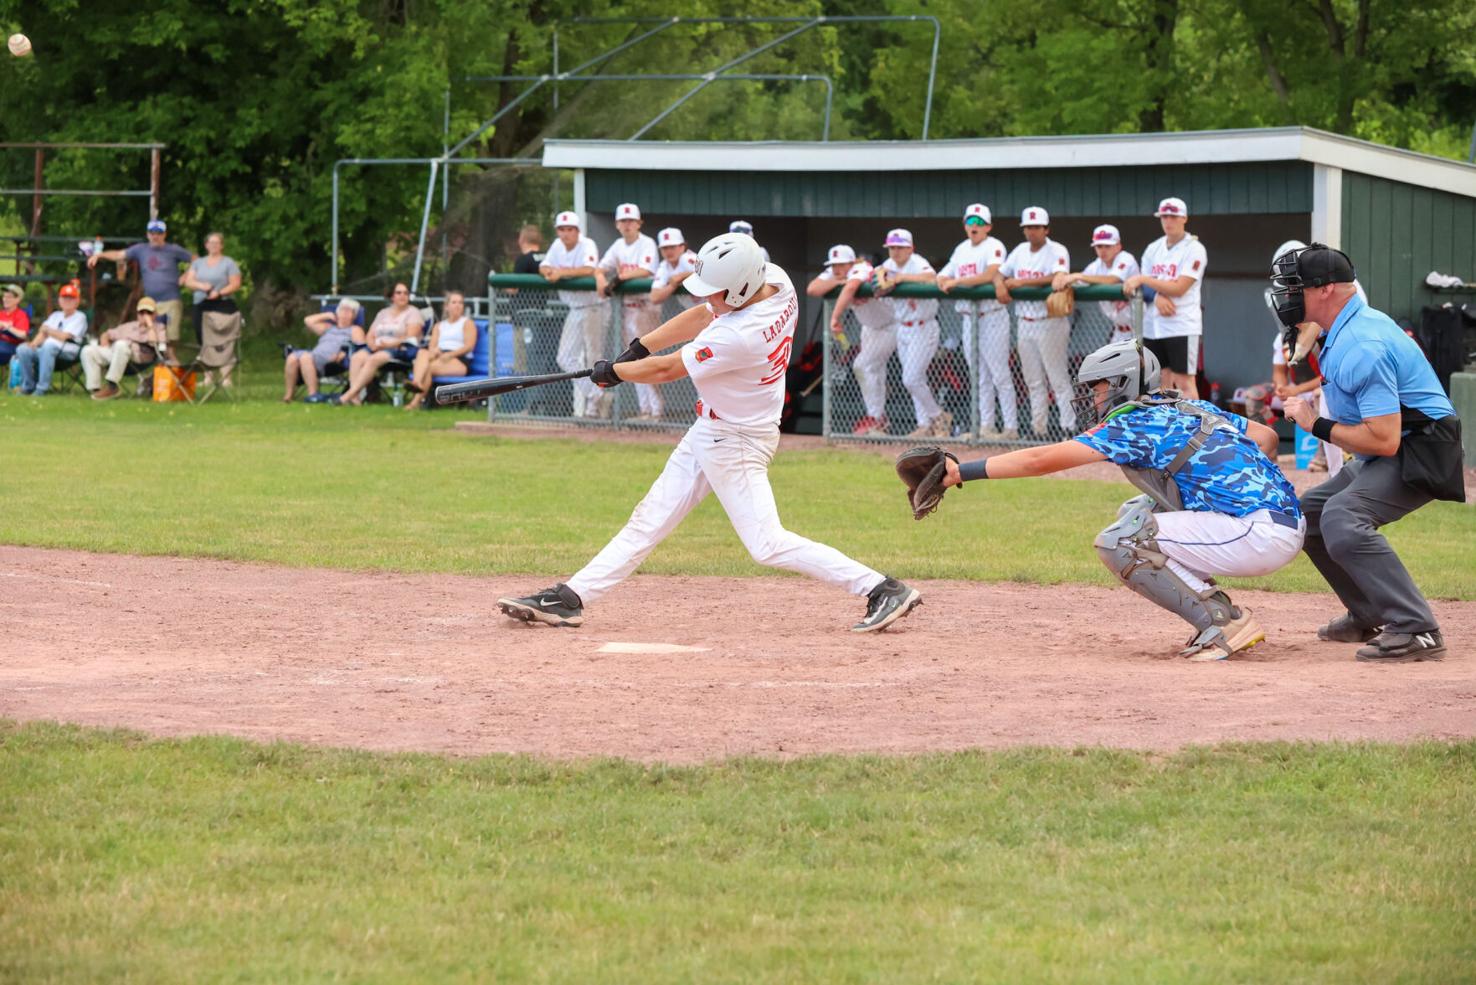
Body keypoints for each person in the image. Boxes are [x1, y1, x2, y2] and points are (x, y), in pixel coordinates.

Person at [497, 232, 922, 633]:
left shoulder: (739, 335)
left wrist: (614, 371)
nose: (706, 297)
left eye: (714, 290)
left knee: (767, 544)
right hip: (716, 427)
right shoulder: (774, 280)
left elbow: (668, 369)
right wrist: (640, 345)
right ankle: (571, 597)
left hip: (735, 440)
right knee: (649, 517)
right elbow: (701, 313)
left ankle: (880, 588)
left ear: (738, 290)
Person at [932, 340, 1300, 659]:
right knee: (1137, 511)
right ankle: (1218, 609)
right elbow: (1266, 438)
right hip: (1279, 521)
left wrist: (961, 472)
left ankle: (1221, 624)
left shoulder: (1131, 424)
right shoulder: (1189, 406)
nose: (1092, 396)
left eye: (1098, 387)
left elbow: (1038, 461)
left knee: (1123, 540)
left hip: (1257, 534)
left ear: (1123, 384)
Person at [1271, 243, 1463, 662]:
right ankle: (1368, 613)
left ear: (1326, 290)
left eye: (1296, 287)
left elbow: (1384, 440)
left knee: (1343, 516)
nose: (1287, 296)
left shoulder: (1362, 341)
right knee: (1311, 516)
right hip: (1398, 445)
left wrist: (1314, 423)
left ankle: (1417, 628)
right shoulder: (1340, 328)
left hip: (1422, 449)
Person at [994, 207, 1075, 436]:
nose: (1031, 231)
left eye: (1036, 227)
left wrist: (1021, 283)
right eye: (1028, 227)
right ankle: (1038, 429)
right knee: (1033, 380)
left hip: (1049, 320)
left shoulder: (1057, 250)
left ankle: (1067, 428)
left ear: (1046, 229)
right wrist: (1000, 284)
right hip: (1025, 321)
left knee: (1057, 378)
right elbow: (999, 273)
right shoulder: (1020, 250)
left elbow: (1057, 277)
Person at [937, 203, 1015, 439]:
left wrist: (957, 282)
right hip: (969, 319)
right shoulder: (961, 249)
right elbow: (944, 273)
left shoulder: (994, 246)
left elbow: (991, 274)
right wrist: (942, 279)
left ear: (988, 226)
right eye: (970, 221)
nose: (974, 226)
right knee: (979, 376)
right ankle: (985, 427)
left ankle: (1010, 428)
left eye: (979, 222)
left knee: (999, 374)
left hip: (991, 317)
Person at [807, 244, 896, 436]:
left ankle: (876, 417)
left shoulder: (861, 267)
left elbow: (852, 286)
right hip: (870, 328)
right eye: (834, 265)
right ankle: (878, 418)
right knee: (874, 371)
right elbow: (812, 289)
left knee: (862, 365)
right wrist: (836, 281)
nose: (836, 268)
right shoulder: (837, 274)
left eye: (841, 264)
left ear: (851, 262)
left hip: (891, 325)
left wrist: (835, 317)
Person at [1124, 197, 1207, 398]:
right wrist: (1157, 296)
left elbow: (1179, 288)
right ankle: (1167, 427)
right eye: (1164, 216)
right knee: (1159, 380)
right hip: (1154, 324)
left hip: (1181, 323)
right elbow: (1142, 286)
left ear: (1184, 218)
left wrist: (1145, 279)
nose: (1168, 221)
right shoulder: (1153, 248)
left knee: (1184, 382)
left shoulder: (1194, 248)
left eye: (1173, 216)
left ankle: (1193, 428)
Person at [874, 228, 948, 438]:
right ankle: (924, 425)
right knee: (916, 379)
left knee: (911, 378)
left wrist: (900, 278)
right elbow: (875, 278)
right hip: (902, 327)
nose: (895, 251)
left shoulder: (917, 262)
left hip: (923, 326)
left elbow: (931, 277)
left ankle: (938, 416)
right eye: (892, 248)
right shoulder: (887, 266)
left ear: (910, 249)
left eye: (900, 247)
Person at [598, 203, 663, 421]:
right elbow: (600, 268)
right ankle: (645, 410)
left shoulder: (647, 243)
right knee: (632, 360)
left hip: (645, 307)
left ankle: (656, 410)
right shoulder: (618, 245)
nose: (627, 225)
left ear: (639, 223)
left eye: (631, 221)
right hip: (627, 309)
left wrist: (619, 278)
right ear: (617, 224)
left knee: (646, 357)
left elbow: (646, 270)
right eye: (623, 221)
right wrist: (601, 280)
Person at [86, 219, 194, 351]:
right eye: (152, 233)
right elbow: (120, 255)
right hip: (150, 302)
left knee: (171, 337)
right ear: (148, 234)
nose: (155, 236)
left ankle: (169, 364)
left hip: (171, 299)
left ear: (165, 234)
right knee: (150, 333)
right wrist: (99, 255)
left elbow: (196, 259)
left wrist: (186, 275)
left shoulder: (173, 249)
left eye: (159, 233)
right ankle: (155, 362)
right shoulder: (140, 249)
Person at [541, 211, 608, 419]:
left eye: (570, 229)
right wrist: (547, 272)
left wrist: (561, 273)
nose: (565, 233)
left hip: (593, 306)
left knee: (593, 357)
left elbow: (589, 268)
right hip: (574, 308)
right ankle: (596, 394)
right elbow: (544, 265)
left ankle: (593, 408)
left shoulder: (586, 244)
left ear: (577, 231)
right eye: (562, 229)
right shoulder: (557, 245)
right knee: (565, 357)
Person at [335, 282, 423, 405]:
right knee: (356, 358)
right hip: (377, 347)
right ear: (392, 296)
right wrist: (371, 344)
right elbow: (370, 334)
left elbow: (410, 337)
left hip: (400, 349)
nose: (402, 296)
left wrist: (387, 345)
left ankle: (348, 395)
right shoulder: (383, 313)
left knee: (373, 359)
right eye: (398, 293)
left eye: (405, 293)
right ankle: (356, 400)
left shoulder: (413, 312)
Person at [1055, 224, 1139, 344]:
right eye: (1099, 246)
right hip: (1120, 331)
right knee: (1112, 361)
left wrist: (1078, 276)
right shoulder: (1097, 265)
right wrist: (1062, 279)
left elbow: (1112, 280)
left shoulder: (1126, 258)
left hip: (1142, 330)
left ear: (1118, 246)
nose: (1103, 250)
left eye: (1108, 246)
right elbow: (1076, 281)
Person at [405, 290, 478, 410]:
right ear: (447, 306)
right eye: (454, 302)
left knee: (427, 368)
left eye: (460, 302)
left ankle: (414, 402)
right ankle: (417, 386)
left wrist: (450, 354)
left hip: (458, 358)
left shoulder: (467, 323)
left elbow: (469, 346)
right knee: (423, 352)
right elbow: (432, 346)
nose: (458, 305)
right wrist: (435, 351)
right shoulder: (439, 326)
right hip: (440, 355)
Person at [81, 296, 165, 400]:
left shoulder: (159, 328)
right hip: (117, 356)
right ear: (137, 314)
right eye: (141, 312)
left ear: (155, 314)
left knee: (121, 344)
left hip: (138, 358)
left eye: (148, 312)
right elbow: (107, 334)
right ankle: (95, 389)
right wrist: (105, 341)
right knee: (87, 350)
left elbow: (155, 344)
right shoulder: (128, 326)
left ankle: (112, 385)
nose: (144, 315)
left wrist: (150, 325)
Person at [15, 283, 88, 396]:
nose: (67, 301)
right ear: (59, 300)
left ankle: (41, 388)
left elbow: (64, 336)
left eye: (71, 298)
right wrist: (34, 344)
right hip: (47, 350)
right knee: (23, 349)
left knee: (49, 344)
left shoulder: (80, 317)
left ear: (77, 301)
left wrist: (48, 331)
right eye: (64, 298)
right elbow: (42, 332)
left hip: (67, 352)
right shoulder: (55, 315)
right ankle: (27, 386)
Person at [285, 297, 361, 403]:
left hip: (331, 361)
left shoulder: (355, 330)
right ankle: (288, 396)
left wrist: (344, 353)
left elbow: (360, 347)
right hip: (314, 356)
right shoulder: (328, 327)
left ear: (354, 316)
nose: (345, 314)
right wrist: (327, 315)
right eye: (343, 310)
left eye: (349, 311)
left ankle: (314, 394)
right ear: (337, 312)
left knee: (305, 357)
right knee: (292, 357)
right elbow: (307, 320)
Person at [650, 227, 698, 309]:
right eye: (665, 248)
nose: (668, 251)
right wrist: (672, 285)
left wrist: (682, 276)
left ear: (682, 247)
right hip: (695, 310)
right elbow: (654, 298)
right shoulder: (664, 266)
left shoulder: (689, 259)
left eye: (672, 247)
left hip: (714, 307)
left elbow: (710, 275)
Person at [0, 283, 30, 369]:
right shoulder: (1, 314)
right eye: (4, 296)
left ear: (18, 300)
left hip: (12, 348)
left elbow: (23, 335)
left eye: (9, 297)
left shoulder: (21, 315)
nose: (5, 299)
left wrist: (7, 326)